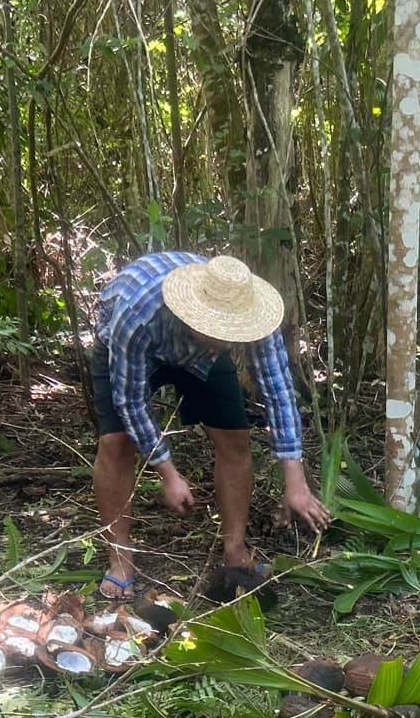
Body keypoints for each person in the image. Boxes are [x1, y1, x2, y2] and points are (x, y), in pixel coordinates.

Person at [90, 251, 330, 598]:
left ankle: (234, 551)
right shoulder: (138, 315)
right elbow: (131, 402)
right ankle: (121, 558)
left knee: (234, 437)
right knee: (116, 442)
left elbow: (278, 393)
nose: (225, 340)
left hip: (198, 357)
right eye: (217, 329)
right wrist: (167, 472)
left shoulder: (254, 313)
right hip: (134, 346)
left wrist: (295, 482)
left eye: (231, 332)